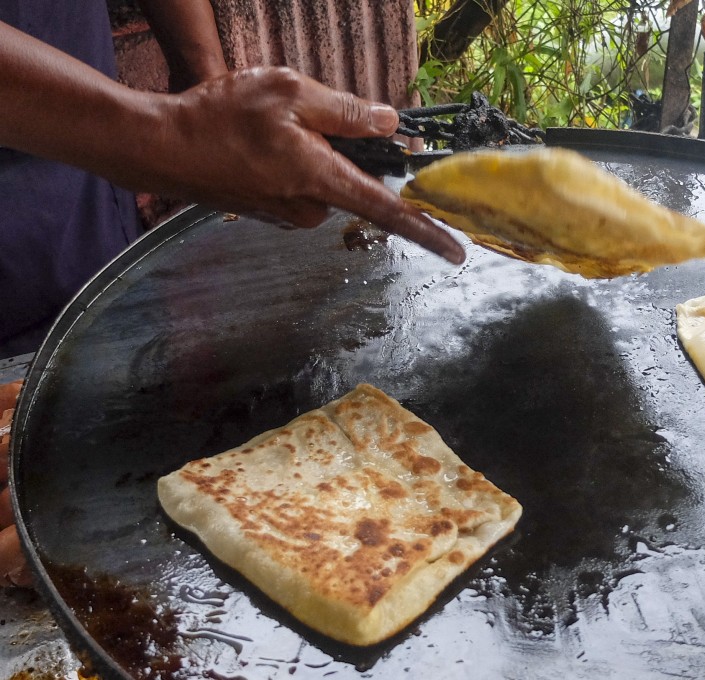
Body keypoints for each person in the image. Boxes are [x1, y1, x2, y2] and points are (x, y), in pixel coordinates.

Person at [0, 0, 465, 586]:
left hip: (80, 172)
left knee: (86, 451)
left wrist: (203, 82)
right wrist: (158, 133)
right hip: (95, 134)